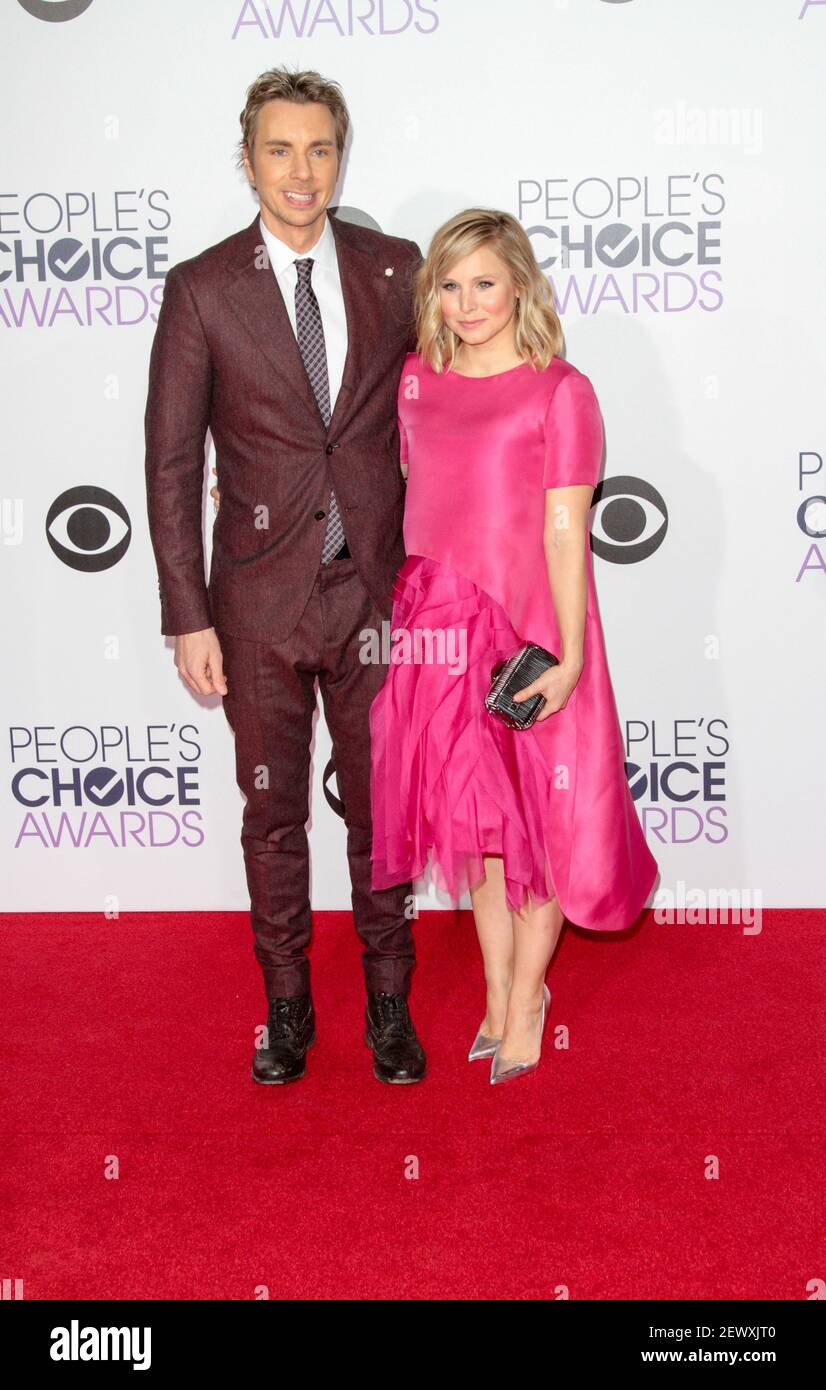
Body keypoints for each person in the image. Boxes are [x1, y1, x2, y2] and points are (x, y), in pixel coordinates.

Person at [144, 66, 427, 1086]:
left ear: (339, 155)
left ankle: (388, 1004)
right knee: (272, 813)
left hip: (374, 594)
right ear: (248, 157)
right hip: (256, 604)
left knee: (382, 807)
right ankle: (288, 1006)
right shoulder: (202, 289)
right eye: (280, 149)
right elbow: (174, 466)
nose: (301, 170)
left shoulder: (396, 270)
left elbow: (441, 410)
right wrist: (187, 615)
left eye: (319, 148)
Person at [369, 208, 659, 1085]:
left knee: (533, 828)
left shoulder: (560, 392)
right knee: (481, 832)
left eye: (484, 283)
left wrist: (568, 654)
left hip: (527, 631)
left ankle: (530, 998)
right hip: (435, 631)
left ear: (520, 284)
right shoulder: (416, 381)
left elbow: (567, 532)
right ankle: (497, 994)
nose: (466, 303)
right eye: (449, 286)